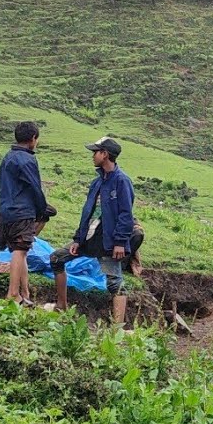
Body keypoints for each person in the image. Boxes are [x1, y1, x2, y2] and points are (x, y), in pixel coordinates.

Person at [47, 136, 143, 324]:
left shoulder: (122, 181)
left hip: (108, 242)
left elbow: (126, 214)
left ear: (105, 154)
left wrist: (120, 242)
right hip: (88, 240)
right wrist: (77, 239)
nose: (92, 155)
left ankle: (117, 329)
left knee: (115, 283)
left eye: (95, 152)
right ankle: (61, 306)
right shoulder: (97, 182)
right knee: (56, 258)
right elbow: (87, 212)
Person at [0, 121, 53, 306]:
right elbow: (34, 186)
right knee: (19, 250)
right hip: (22, 211)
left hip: (7, 210)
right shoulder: (27, 159)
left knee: (22, 250)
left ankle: (25, 293)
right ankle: (13, 294)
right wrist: (42, 209)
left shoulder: (8, 157)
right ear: (33, 139)